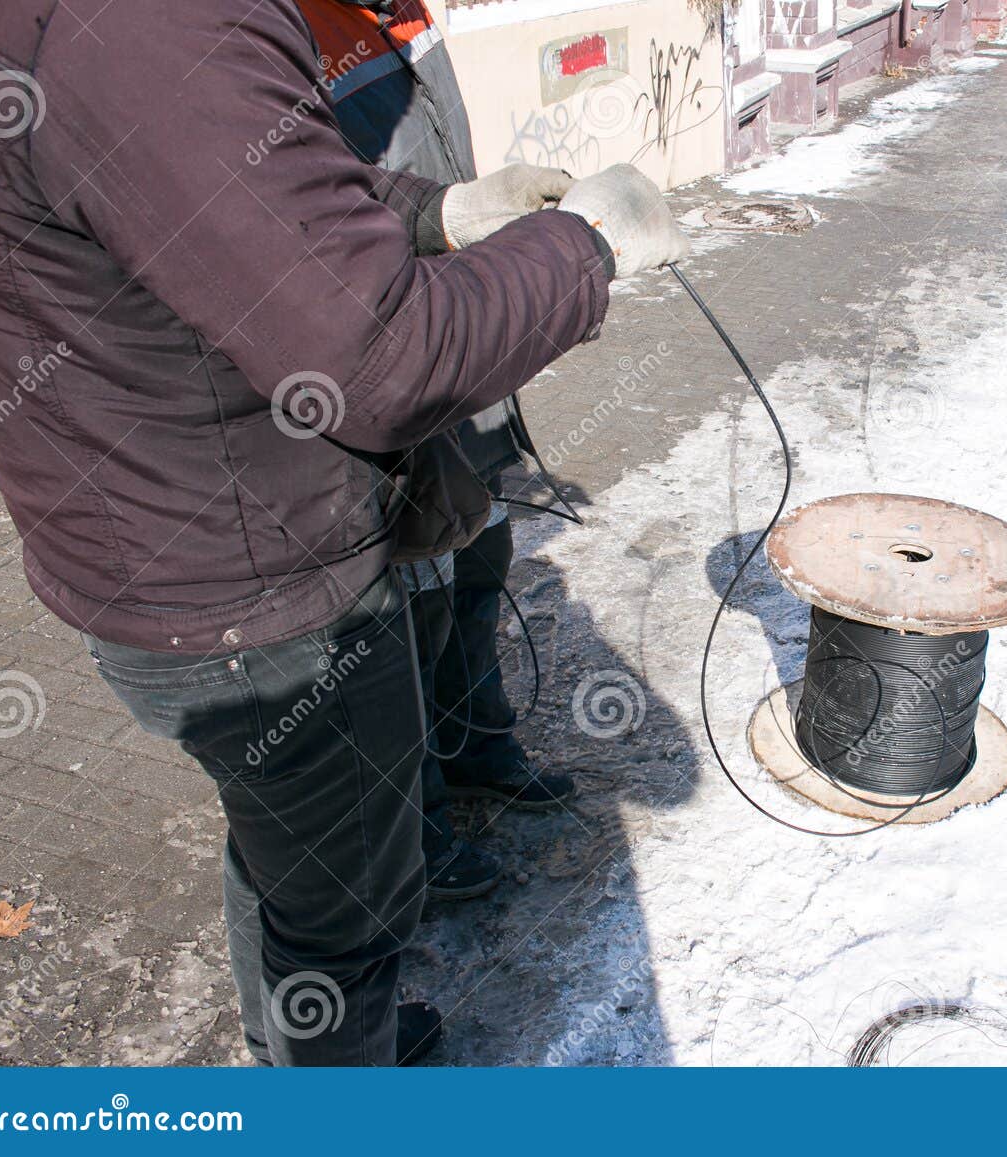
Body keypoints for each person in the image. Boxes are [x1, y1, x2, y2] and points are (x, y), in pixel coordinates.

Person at [0, 0, 688, 1066]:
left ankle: (318, 1035)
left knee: (289, 865)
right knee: (348, 913)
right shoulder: (138, 28)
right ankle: (337, 1059)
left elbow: (234, 209)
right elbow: (379, 364)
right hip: (254, 586)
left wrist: (442, 214)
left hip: (150, 552)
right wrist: (582, 249)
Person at [297, 0, 577, 905]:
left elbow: (437, 161)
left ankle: (476, 743)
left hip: (464, 338)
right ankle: (416, 823)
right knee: (407, 600)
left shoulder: (407, 18)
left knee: (483, 554)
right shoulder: (287, 24)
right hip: (382, 355)